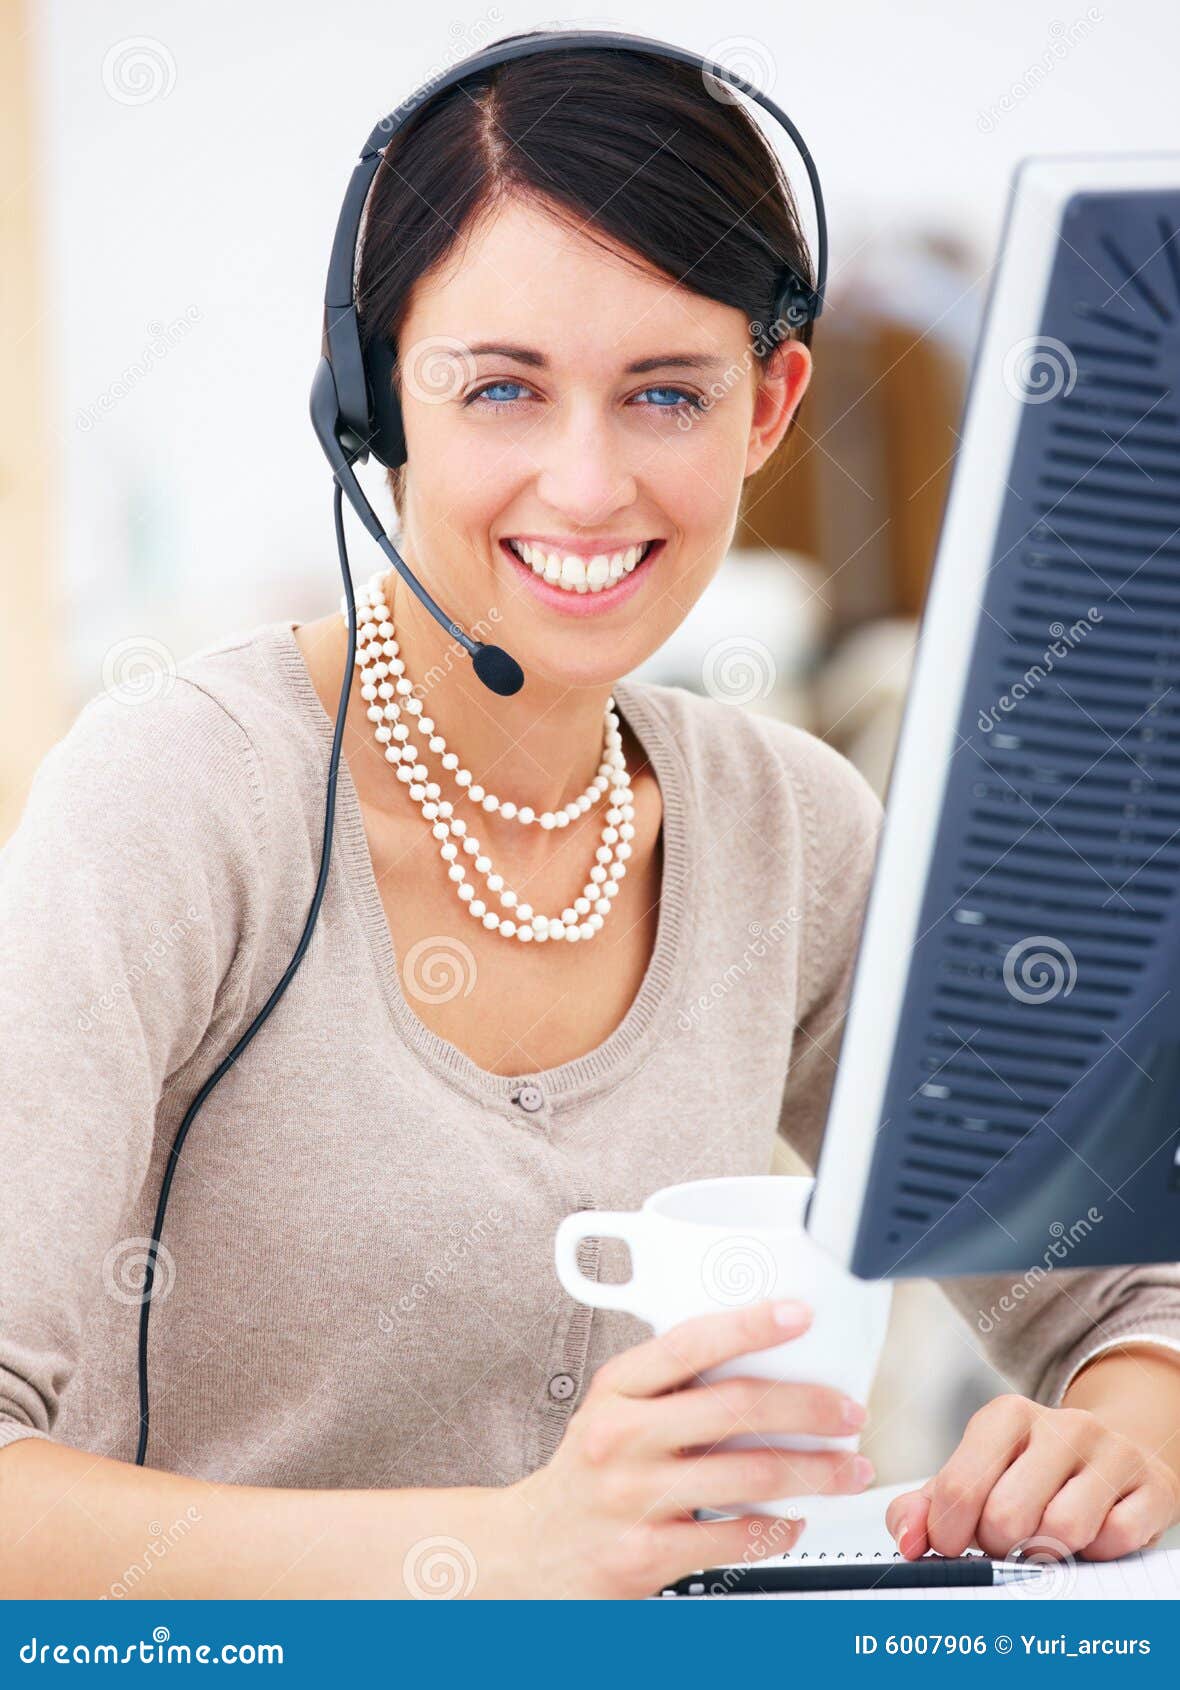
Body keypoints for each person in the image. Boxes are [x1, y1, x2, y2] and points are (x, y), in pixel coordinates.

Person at [3, 30, 1180, 1602]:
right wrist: (493, 1550)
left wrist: (1125, 1423)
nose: (586, 482)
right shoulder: (174, 798)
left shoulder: (787, 828)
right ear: (372, 405)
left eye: (664, 394)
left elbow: (1126, 1293)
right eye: (501, 386)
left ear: (767, 408)